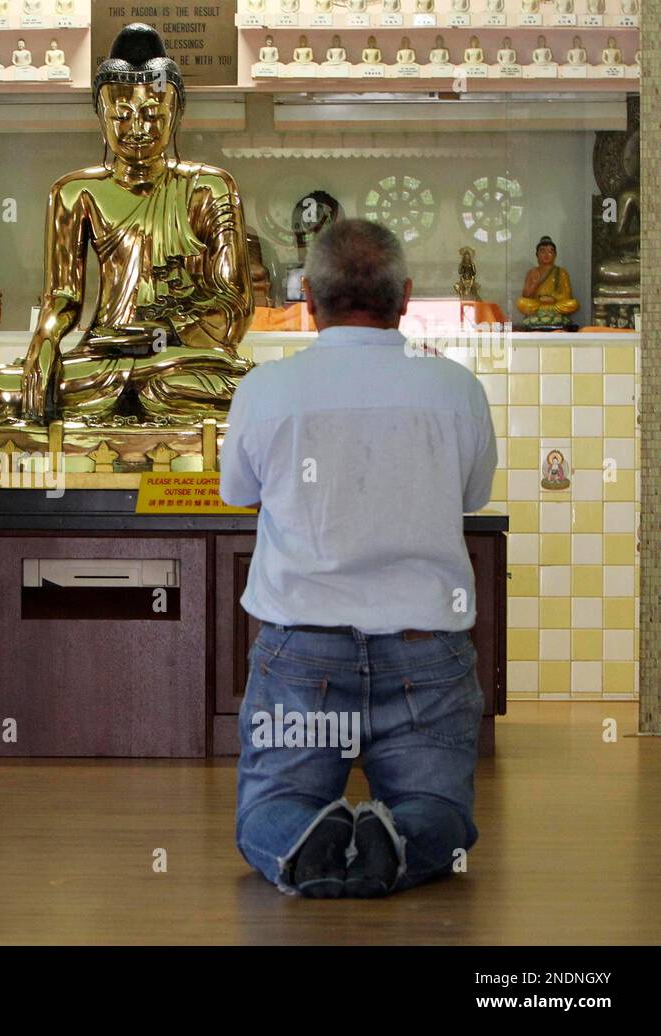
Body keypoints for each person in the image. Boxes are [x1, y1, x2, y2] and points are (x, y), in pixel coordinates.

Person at [220, 219, 497, 898]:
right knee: (442, 814)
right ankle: (397, 837)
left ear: (308, 295)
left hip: (302, 653)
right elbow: (471, 495)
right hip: (425, 654)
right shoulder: (455, 390)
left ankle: (302, 837)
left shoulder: (264, 391)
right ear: (404, 297)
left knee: (265, 811)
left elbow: (240, 494)